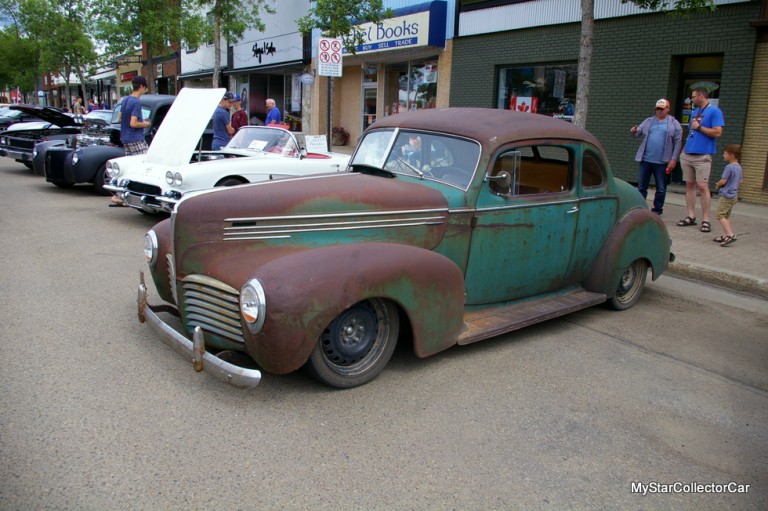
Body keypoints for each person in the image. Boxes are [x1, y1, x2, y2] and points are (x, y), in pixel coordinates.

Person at [677, 87, 725, 233]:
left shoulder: (715, 111)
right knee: (689, 185)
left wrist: (700, 128)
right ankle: (691, 216)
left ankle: (706, 220)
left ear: (701, 96)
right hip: (688, 153)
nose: (691, 99)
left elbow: (717, 132)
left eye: (693, 97)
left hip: (702, 156)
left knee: (703, 186)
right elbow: (692, 132)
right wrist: (684, 149)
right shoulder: (695, 112)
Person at [630, 98, 682, 215]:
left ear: (668, 109)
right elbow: (637, 133)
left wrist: (673, 159)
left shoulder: (674, 123)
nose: (659, 111)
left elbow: (678, 142)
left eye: (662, 109)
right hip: (646, 160)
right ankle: (640, 207)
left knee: (661, 188)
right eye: (657, 109)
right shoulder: (649, 121)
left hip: (662, 162)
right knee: (642, 186)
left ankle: (657, 210)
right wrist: (633, 131)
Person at [110, 75, 151, 206]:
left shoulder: (125, 99)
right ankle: (141, 193)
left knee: (129, 167)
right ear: (142, 87)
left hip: (125, 137)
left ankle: (119, 195)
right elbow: (133, 123)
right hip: (135, 138)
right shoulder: (136, 102)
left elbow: (120, 118)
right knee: (146, 163)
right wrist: (145, 124)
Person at [712, 144, 742, 247]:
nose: (723, 155)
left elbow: (723, 180)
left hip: (726, 195)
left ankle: (730, 234)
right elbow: (741, 180)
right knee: (726, 216)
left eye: (725, 154)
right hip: (734, 195)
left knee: (720, 215)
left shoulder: (729, 167)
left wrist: (717, 185)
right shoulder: (739, 167)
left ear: (732, 155)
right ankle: (725, 235)